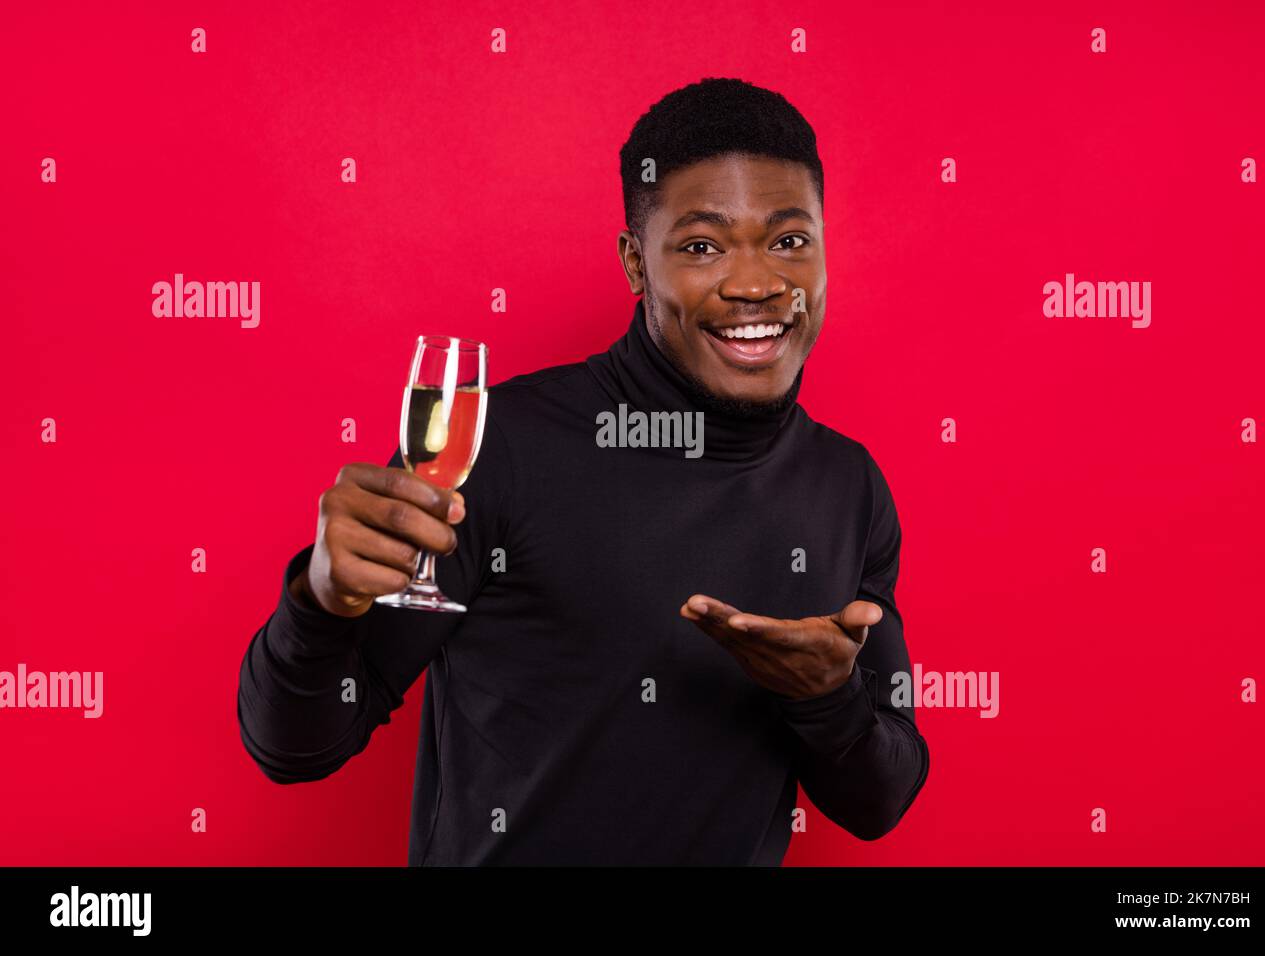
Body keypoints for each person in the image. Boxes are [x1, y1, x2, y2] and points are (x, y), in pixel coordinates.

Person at [237, 76, 930, 865]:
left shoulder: (849, 485)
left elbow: (880, 801)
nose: (755, 284)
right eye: (701, 246)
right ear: (637, 264)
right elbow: (292, 747)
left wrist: (827, 699)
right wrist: (321, 603)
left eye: (789, 241)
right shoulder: (492, 447)